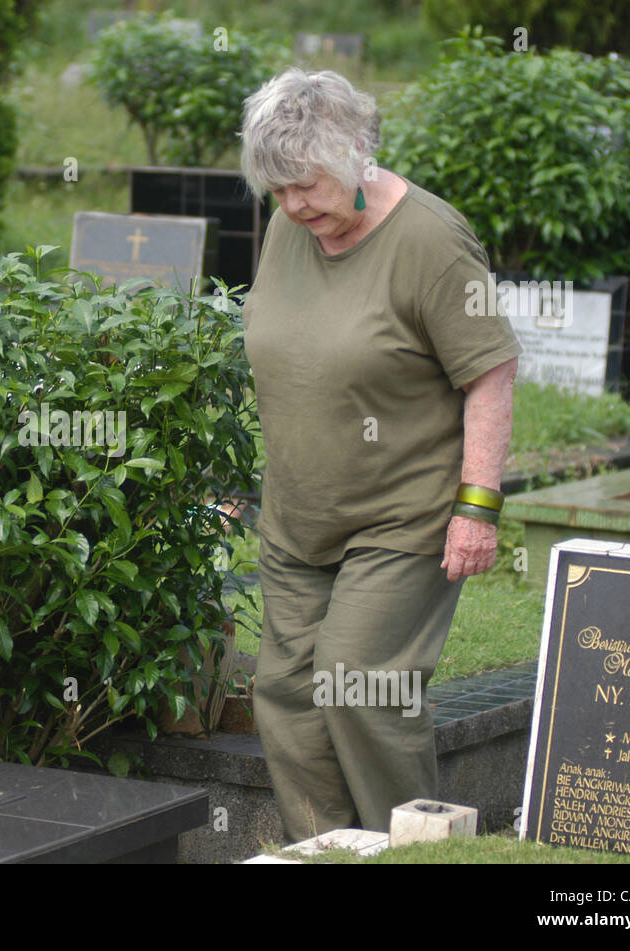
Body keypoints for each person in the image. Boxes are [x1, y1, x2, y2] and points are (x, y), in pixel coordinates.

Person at [237, 68, 521, 841]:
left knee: (360, 686)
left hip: (403, 518)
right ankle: (327, 850)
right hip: (298, 521)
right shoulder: (289, 227)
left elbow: (490, 373)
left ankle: (412, 851)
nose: (296, 205)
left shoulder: (430, 240)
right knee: (288, 696)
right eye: (280, 188)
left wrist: (477, 509)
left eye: (310, 183)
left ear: (359, 151)